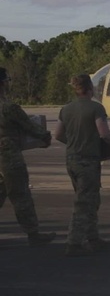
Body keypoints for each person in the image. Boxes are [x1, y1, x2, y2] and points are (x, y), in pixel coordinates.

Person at [54, 73, 110, 257]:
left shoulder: (66, 109)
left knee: (90, 200)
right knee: (84, 203)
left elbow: (57, 135)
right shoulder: (96, 108)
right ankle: (74, 243)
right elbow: (104, 133)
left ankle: (93, 238)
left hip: (71, 159)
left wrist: (74, 142)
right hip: (87, 161)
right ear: (90, 88)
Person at [0, 67, 57, 247]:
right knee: (20, 194)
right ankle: (33, 233)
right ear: (3, 83)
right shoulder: (9, 107)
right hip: (8, 155)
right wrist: (45, 136)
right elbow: (30, 126)